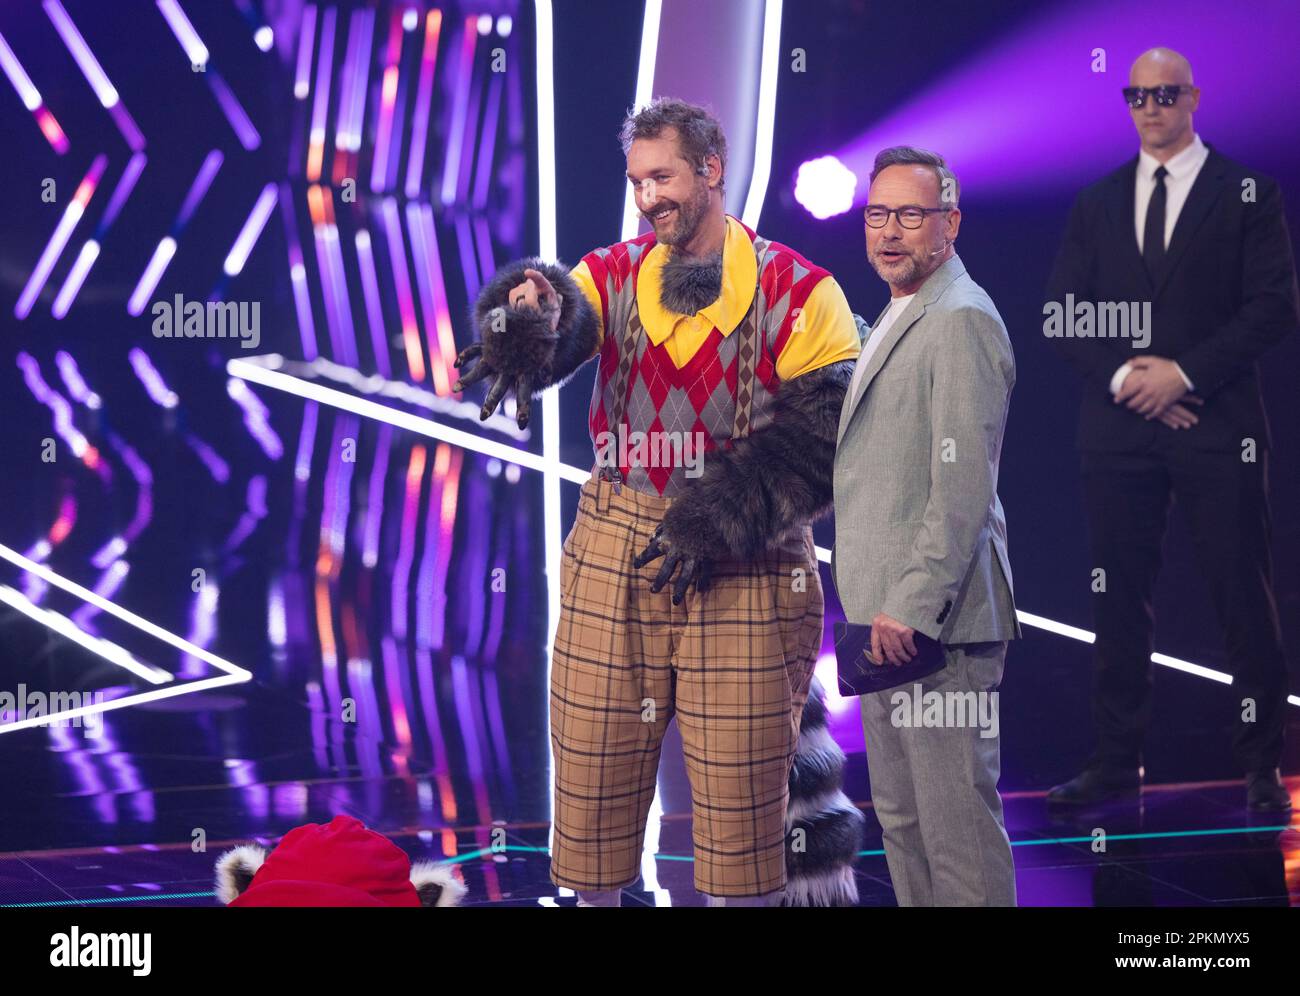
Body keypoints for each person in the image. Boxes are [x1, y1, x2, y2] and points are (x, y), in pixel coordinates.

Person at [454, 98, 863, 905]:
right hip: (618, 546)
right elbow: (555, 334)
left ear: (711, 169)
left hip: (745, 559)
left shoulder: (803, 291)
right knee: (592, 787)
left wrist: (716, 518)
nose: (647, 197)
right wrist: (519, 321)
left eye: (663, 177)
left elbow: (822, 450)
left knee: (745, 815)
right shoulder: (611, 272)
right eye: (638, 180)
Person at [1044, 48, 1298, 812]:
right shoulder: (1096, 200)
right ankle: (1117, 763)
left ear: (1193, 96)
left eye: (1165, 93)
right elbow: (1063, 311)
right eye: (1137, 95)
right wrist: (1131, 379)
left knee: (1242, 598)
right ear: (1126, 103)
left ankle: (1262, 767)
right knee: (1118, 598)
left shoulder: (1246, 192)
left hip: (1218, 425)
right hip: (1119, 433)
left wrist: (1181, 375)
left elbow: (1275, 305)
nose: (1151, 106)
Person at [833, 146, 1020, 906]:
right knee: (906, 826)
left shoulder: (962, 319)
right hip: (882, 623)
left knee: (955, 834)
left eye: (910, 215)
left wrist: (911, 605)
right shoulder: (899, 311)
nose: (889, 232)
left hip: (935, 625)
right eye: (878, 214)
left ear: (949, 223)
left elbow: (961, 490)